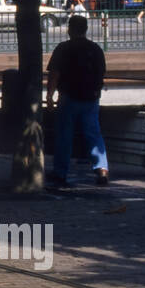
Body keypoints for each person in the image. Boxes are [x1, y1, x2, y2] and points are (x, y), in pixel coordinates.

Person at [46, 15, 109, 186]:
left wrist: (49, 95)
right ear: (86, 29)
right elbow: (102, 72)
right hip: (91, 97)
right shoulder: (96, 49)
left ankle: (61, 172)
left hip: (69, 96)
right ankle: (102, 168)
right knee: (93, 133)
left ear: (70, 29)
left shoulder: (63, 48)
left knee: (64, 135)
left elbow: (55, 74)